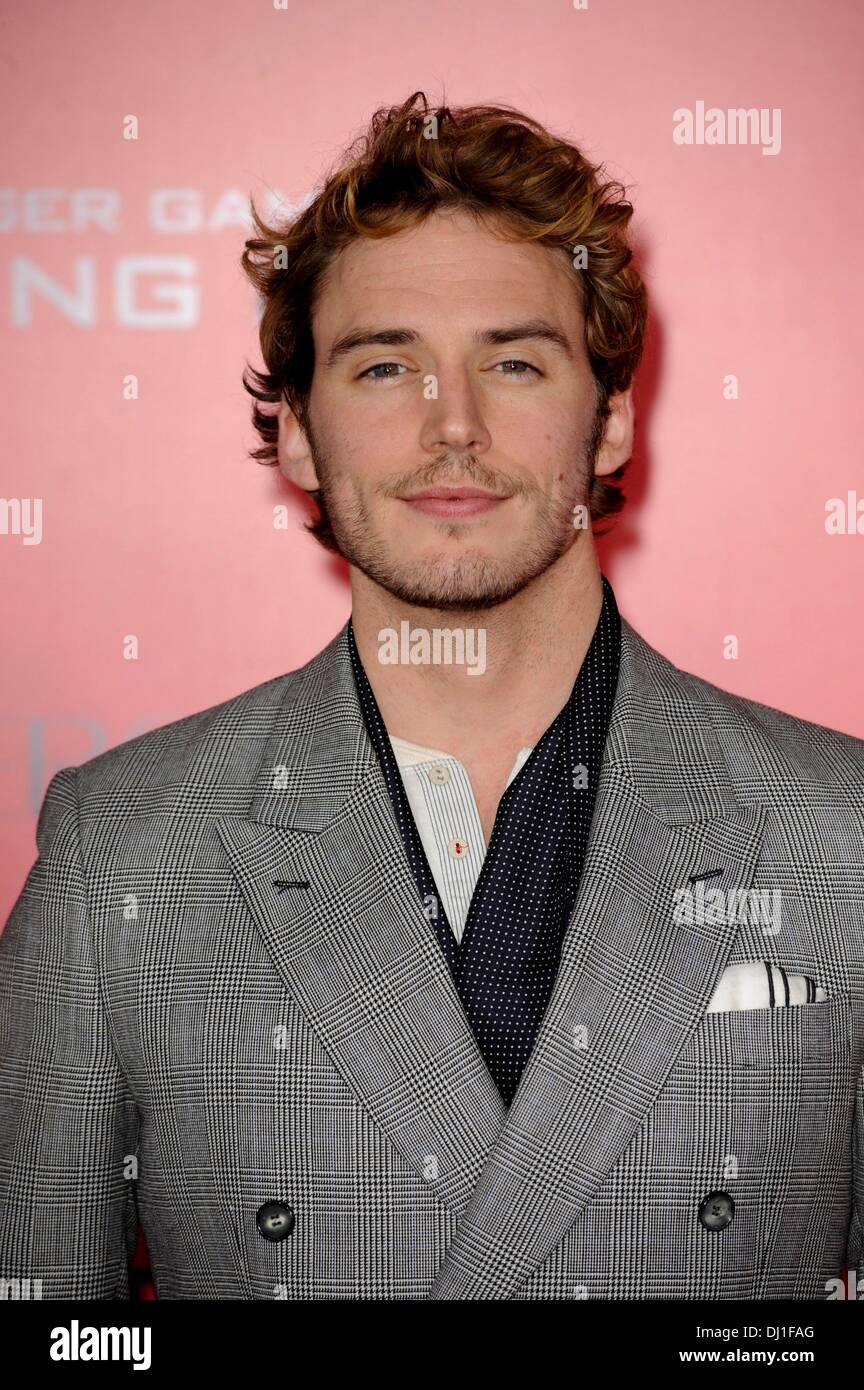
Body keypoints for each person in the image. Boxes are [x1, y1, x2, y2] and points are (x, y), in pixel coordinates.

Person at [1, 92, 862, 1302]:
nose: (450, 426)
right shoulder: (119, 857)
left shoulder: (845, 835)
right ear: (298, 432)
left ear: (611, 419)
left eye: (513, 360)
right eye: (384, 364)